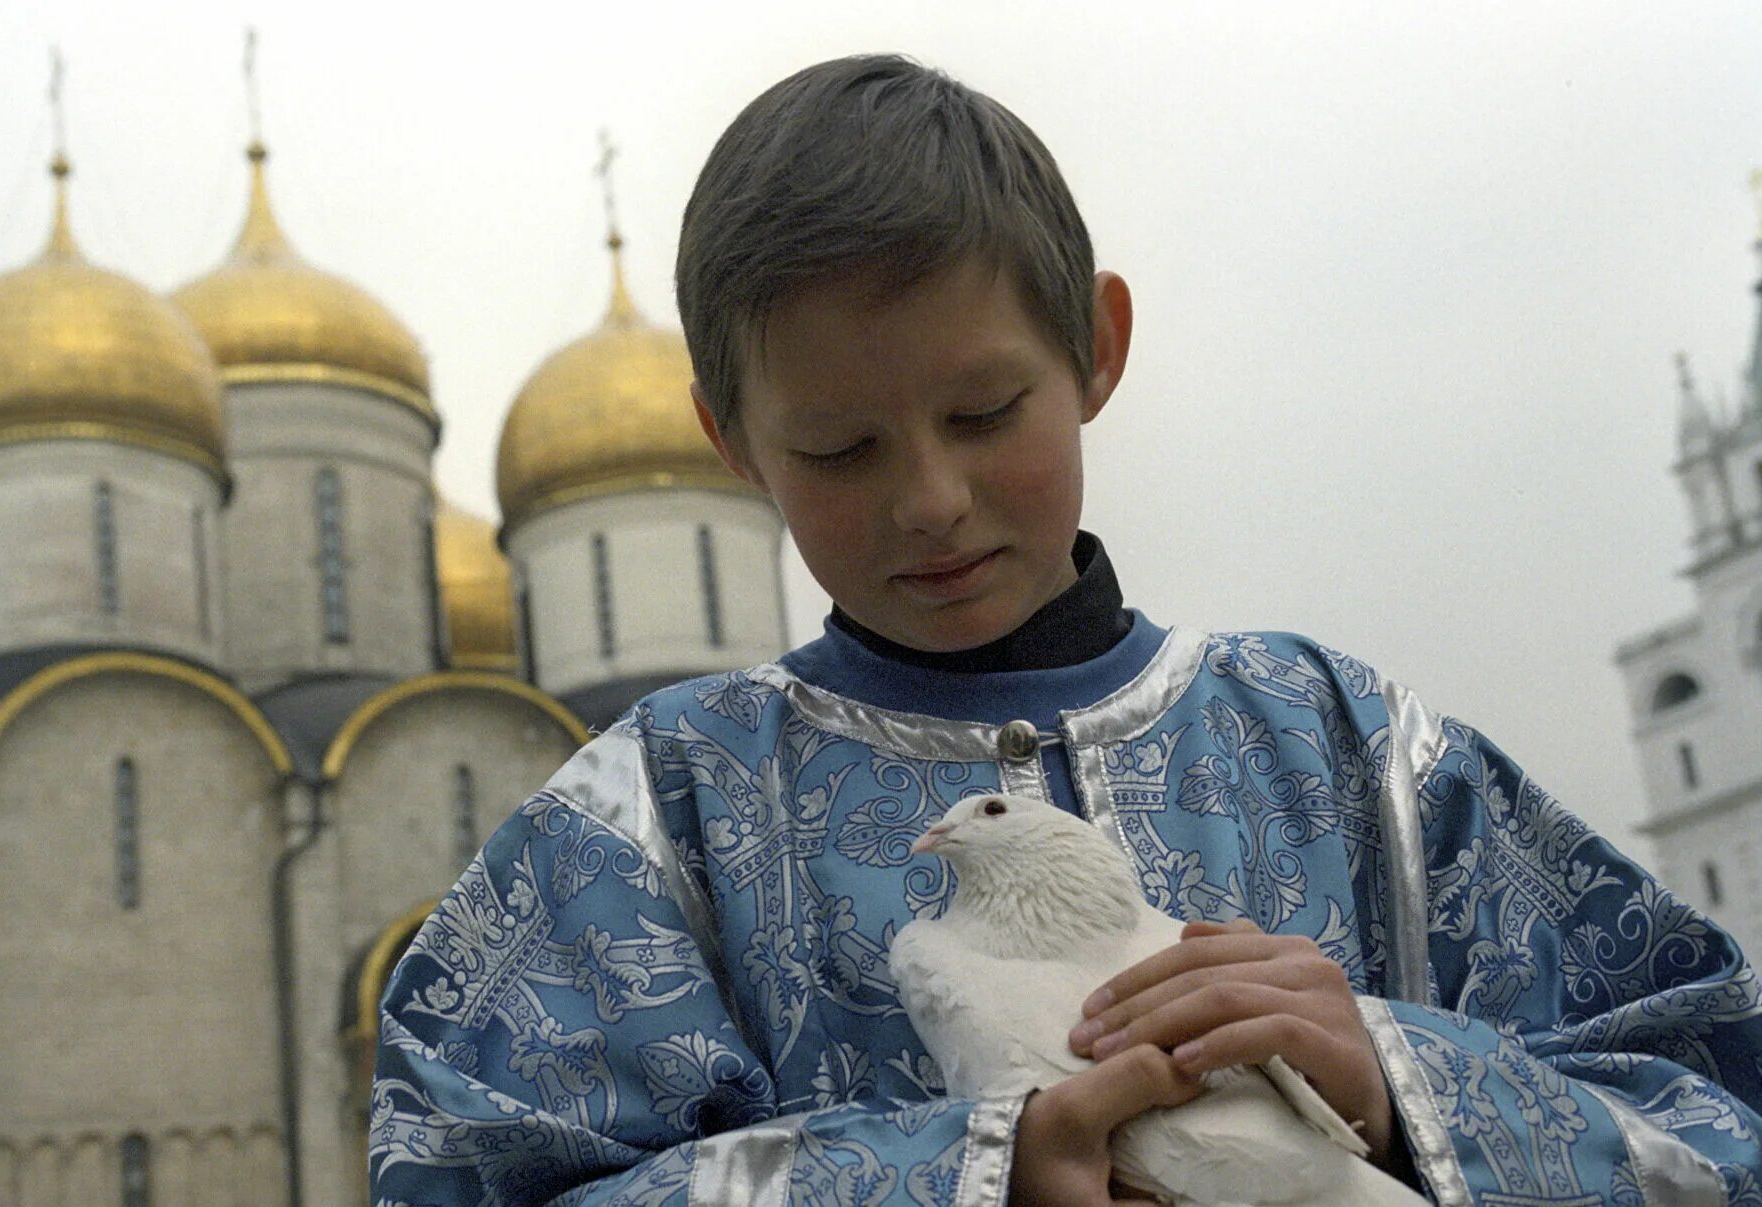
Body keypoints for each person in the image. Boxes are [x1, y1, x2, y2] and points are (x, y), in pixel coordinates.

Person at [370, 55, 1762, 1206]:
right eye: (843, 447)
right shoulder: (643, 828)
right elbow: (462, 1179)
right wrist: (972, 1174)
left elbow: (1719, 1108)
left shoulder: (1356, 755)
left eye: (984, 415)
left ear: (1096, 346)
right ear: (732, 444)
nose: (931, 500)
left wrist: (1392, 1083)